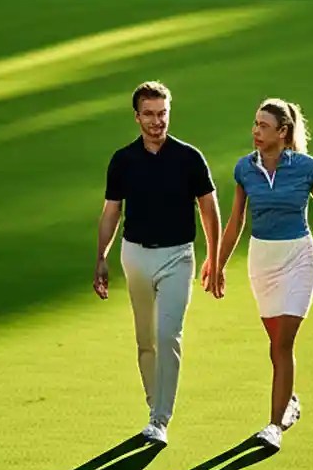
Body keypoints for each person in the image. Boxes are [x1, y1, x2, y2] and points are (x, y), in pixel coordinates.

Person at [217, 98, 313, 450]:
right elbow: (236, 221)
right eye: (254, 124)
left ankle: (273, 427)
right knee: (275, 343)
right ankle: (289, 401)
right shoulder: (244, 169)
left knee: (283, 343)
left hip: (299, 259)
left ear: (283, 132)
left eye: (263, 126)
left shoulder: (308, 167)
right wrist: (218, 265)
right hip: (261, 261)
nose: (255, 131)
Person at [94, 81, 223, 447]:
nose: (156, 121)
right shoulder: (123, 161)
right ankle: (155, 404)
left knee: (168, 335)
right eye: (149, 114)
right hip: (134, 255)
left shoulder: (189, 158)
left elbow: (209, 209)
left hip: (178, 256)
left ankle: (160, 418)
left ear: (169, 113)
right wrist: (101, 257)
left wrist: (214, 257)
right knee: (145, 340)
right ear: (137, 117)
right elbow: (110, 213)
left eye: (162, 113)